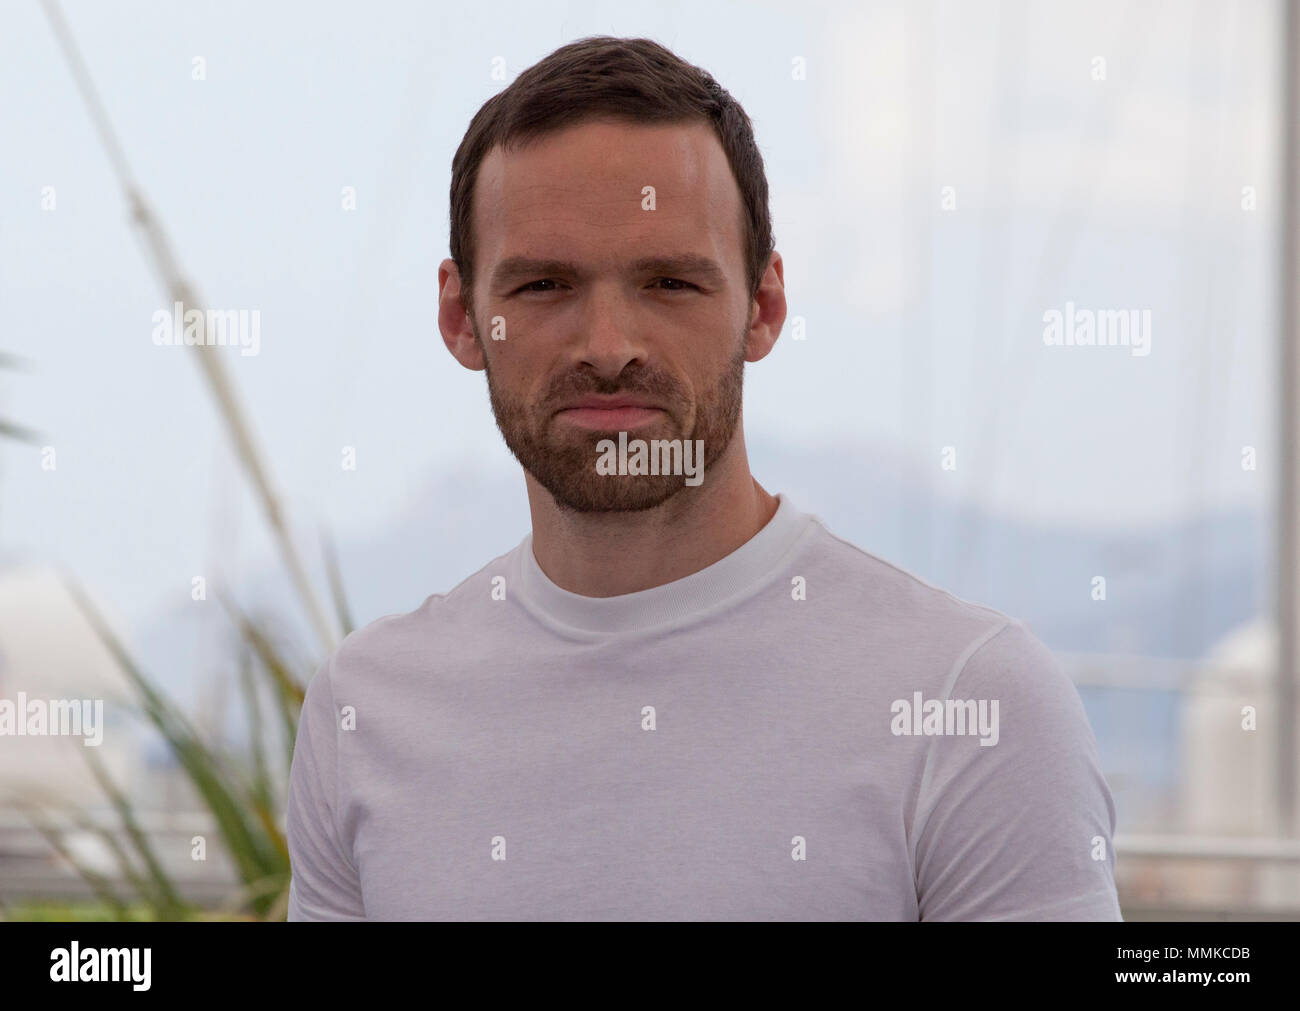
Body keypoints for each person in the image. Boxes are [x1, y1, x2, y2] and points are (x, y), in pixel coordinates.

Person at [286, 35, 1121, 921]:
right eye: (543, 285)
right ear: (462, 316)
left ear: (763, 306)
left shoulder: (970, 701)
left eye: (671, 282)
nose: (609, 348)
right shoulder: (365, 710)